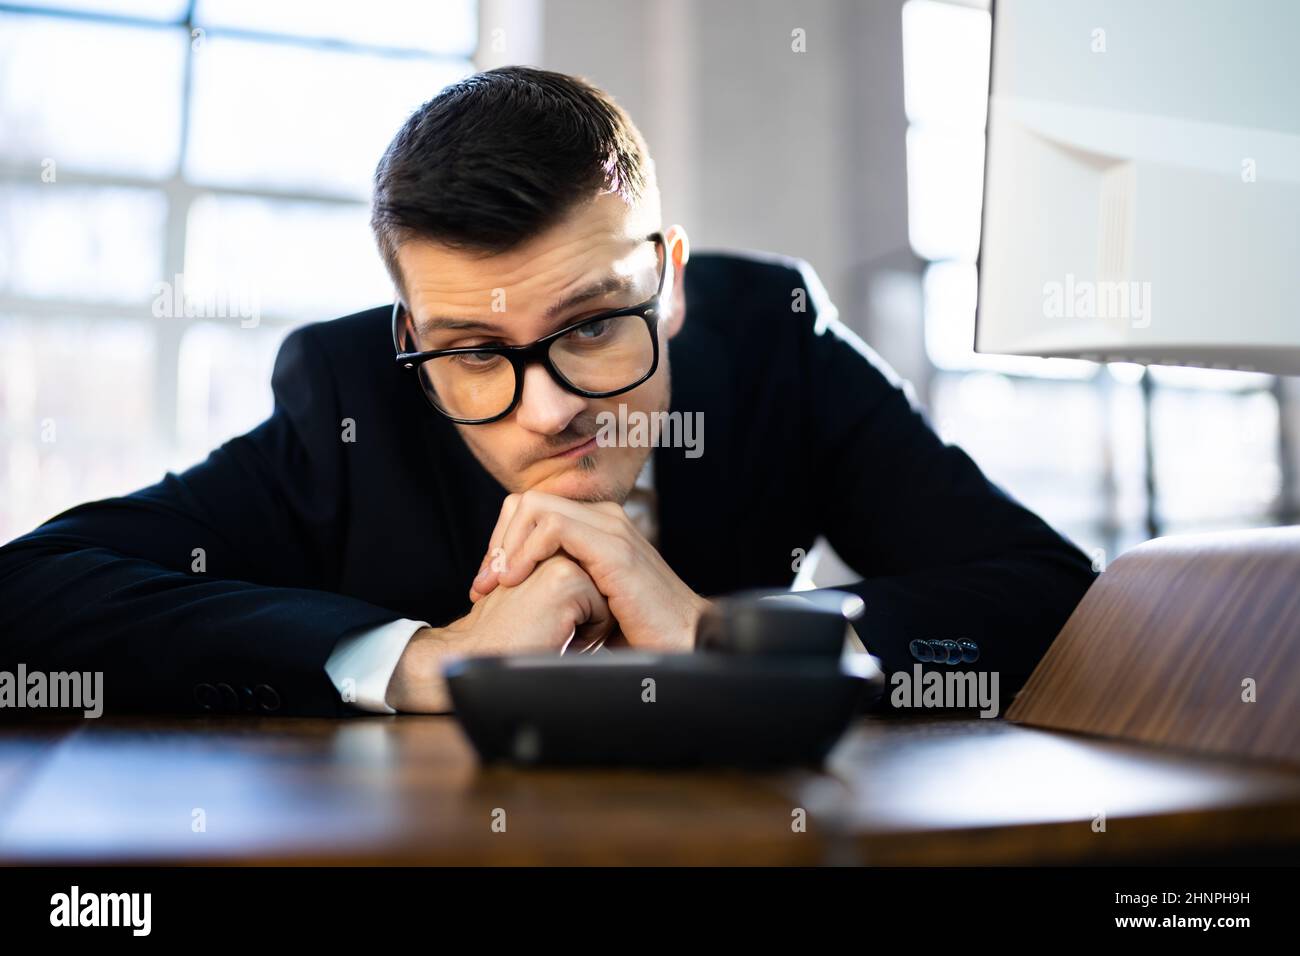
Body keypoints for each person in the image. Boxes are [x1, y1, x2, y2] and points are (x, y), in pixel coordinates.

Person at [0, 66, 1096, 717]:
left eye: (589, 325)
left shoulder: (777, 338)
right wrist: (422, 658)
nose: (546, 409)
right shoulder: (349, 394)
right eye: (473, 348)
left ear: (669, 281)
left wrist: (723, 636)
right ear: (409, 335)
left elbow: (1051, 597)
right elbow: (28, 597)